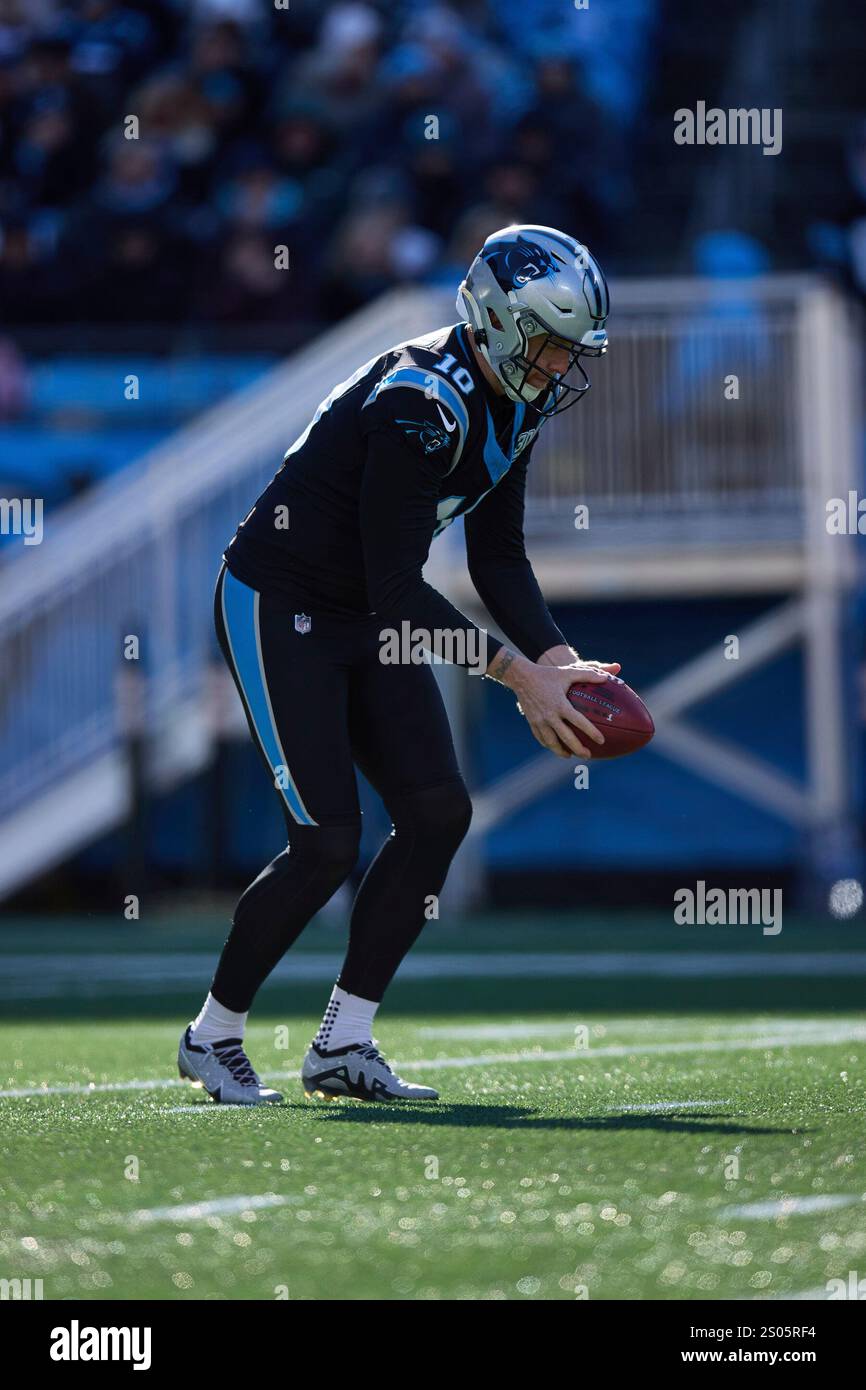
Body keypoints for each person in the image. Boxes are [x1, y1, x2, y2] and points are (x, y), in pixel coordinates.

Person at [178, 223, 617, 1104]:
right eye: (547, 342)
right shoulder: (421, 399)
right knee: (326, 840)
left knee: (435, 811)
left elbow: (498, 558)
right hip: (281, 603)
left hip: (366, 610)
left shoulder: (514, 397)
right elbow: (394, 589)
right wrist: (517, 676)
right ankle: (212, 1033)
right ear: (495, 318)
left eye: (570, 349)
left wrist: (558, 658)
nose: (556, 365)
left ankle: (344, 1041)